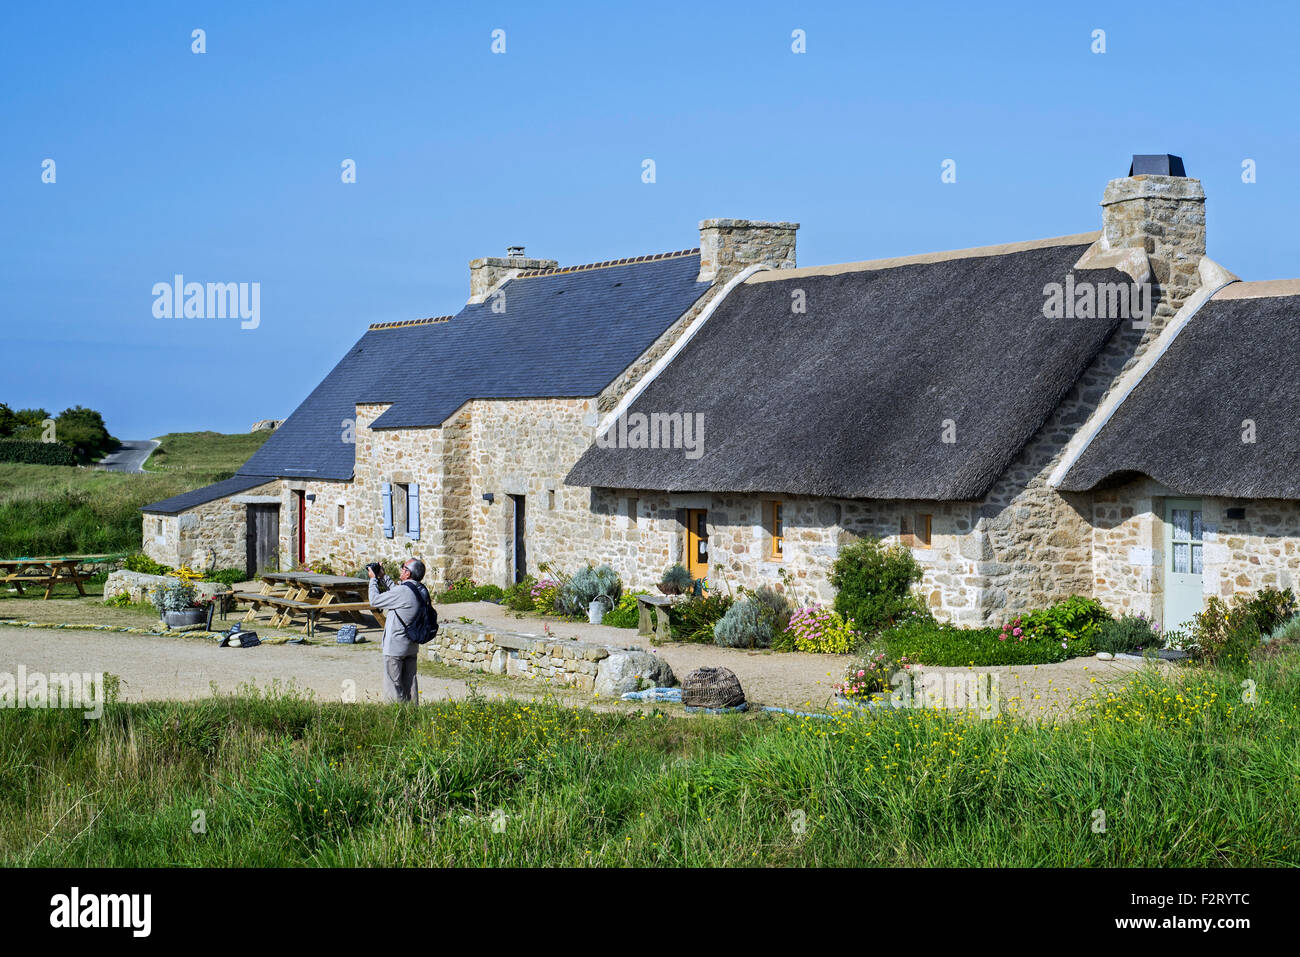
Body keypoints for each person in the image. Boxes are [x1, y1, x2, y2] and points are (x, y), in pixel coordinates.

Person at [367, 558, 429, 703]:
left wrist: (373, 580)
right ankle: (413, 715)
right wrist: (383, 577)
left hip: (395, 646)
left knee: (393, 687)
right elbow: (398, 591)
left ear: (408, 573)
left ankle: (396, 717)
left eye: (403, 567)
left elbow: (374, 601)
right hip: (411, 644)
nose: (401, 570)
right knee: (410, 685)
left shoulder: (403, 592)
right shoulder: (420, 589)